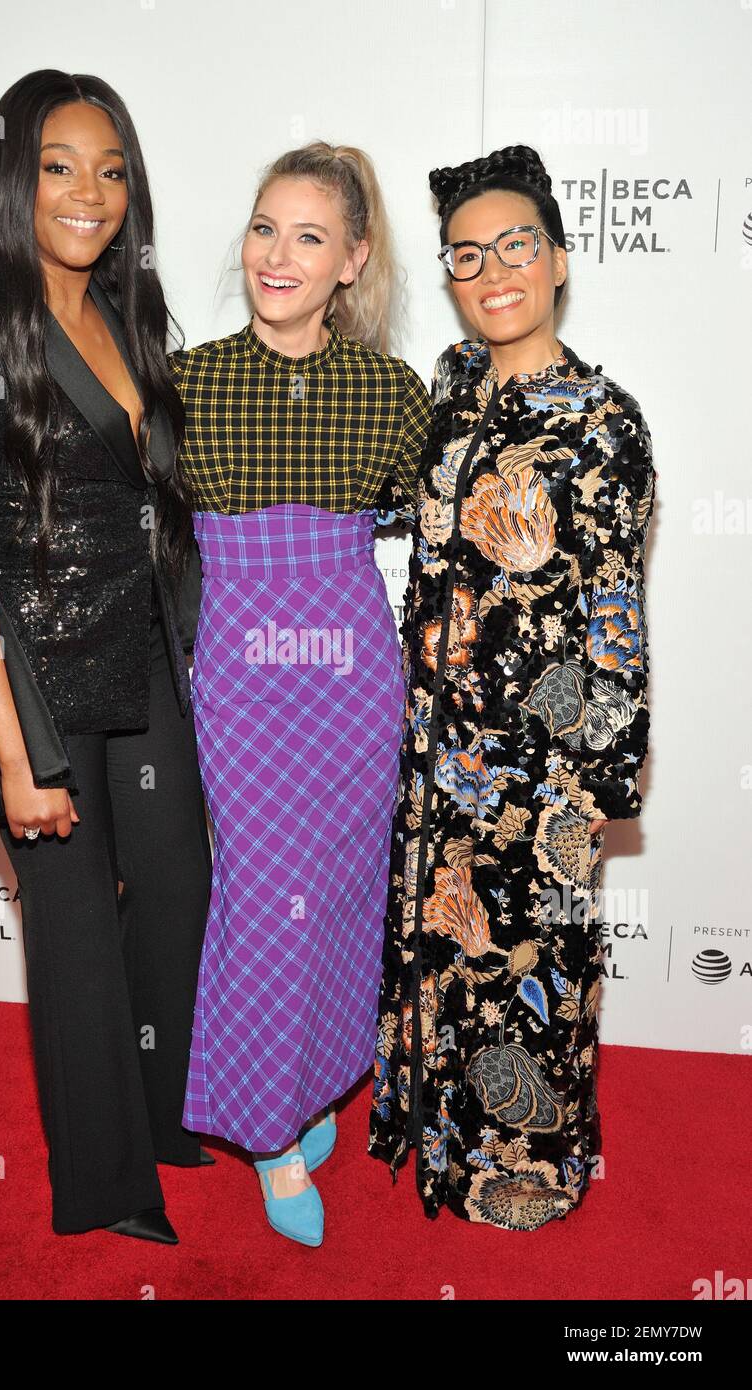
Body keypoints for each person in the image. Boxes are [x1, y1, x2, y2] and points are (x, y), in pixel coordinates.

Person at [0, 70, 211, 1243]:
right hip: (29, 671)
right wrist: (13, 750)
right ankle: (108, 1183)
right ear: (10, 178)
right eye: (60, 167)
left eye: (112, 169)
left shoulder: (130, 310)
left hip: (139, 654)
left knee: (178, 882)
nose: (90, 194)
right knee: (74, 930)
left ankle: (161, 1104)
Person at [368, 144, 656, 1231]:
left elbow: (616, 614)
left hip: (540, 766)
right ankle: (440, 1141)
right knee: (440, 949)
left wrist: (597, 786)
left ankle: (525, 1171)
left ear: (560, 259)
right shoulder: (448, 382)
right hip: (439, 743)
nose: (495, 271)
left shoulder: (604, 423)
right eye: (468, 253)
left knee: (529, 970)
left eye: (517, 246)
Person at [168, 142, 431, 1246]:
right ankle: (270, 1139)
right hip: (239, 660)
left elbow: (422, 531)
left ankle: (312, 1091)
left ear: (352, 261)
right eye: (265, 228)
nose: (278, 255)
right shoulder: (184, 381)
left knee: (336, 898)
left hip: (351, 671)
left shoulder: (392, 393)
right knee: (261, 899)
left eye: (309, 237)